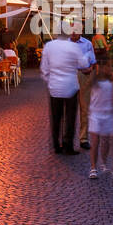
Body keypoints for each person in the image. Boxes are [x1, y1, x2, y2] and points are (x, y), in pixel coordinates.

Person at [41, 24, 86, 155]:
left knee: (56, 117)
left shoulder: (49, 46)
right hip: (71, 86)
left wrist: (49, 81)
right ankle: (68, 146)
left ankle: (56, 145)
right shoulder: (73, 47)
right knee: (70, 118)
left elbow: (44, 68)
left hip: (54, 87)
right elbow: (83, 63)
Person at [87, 59, 113, 180]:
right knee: (96, 142)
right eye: (108, 67)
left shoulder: (107, 83)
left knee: (107, 142)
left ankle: (107, 166)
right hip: (96, 115)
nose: (110, 70)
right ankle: (94, 168)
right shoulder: (97, 82)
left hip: (106, 115)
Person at [72, 26, 98, 151]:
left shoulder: (87, 44)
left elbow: (93, 61)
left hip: (84, 75)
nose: (73, 33)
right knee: (69, 109)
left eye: (75, 30)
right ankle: (68, 139)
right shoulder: (64, 44)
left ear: (80, 31)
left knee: (85, 108)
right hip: (69, 76)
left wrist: (90, 69)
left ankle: (83, 139)